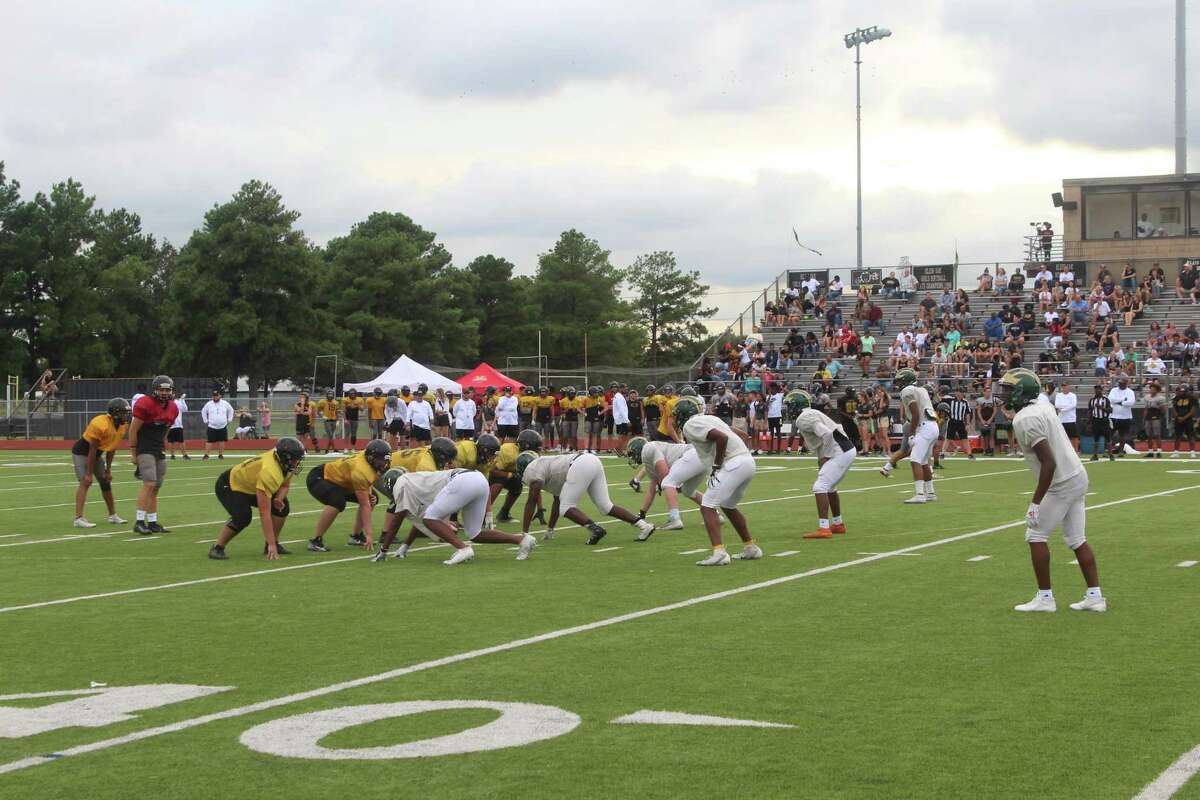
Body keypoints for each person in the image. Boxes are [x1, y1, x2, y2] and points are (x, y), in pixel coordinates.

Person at [998, 369, 1105, 613]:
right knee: (1077, 539)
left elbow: (1049, 462)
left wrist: (1036, 502)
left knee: (1035, 536)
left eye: (1007, 389)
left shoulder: (1025, 418)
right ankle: (1095, 597)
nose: (1002, 393)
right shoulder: (1042, 405)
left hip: (1062, 482)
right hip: (1077, 474)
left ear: (1020, 392)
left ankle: (1045, 598)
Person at [371, 466, 536, 565]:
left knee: (430, 518)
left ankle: (463, 549)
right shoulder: (416, 484)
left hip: (462, 481)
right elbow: (421, 518)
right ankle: (522, 540)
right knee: (475, 533)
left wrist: (383, 550)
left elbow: (398, 518)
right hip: (478, 479)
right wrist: (405, 546)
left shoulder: (403, 484)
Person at [670, 397, 760, 565]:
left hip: (733, 463)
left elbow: (721, 438)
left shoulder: (691, 424)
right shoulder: (711, 417)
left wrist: (718, 464)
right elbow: (742, 435)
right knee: (728, 505)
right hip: (746, 461)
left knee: (707, 505)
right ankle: (751, 548)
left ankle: (719, 552)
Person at [517, 450, 656, 544]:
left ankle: (595, 529)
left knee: (566, 507)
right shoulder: (548, 466)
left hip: (580, 464)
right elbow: (556, 500)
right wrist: (550, 529)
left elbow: (531, 501)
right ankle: (644, 526)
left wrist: (524, 533)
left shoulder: (532, 470)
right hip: (591, 460)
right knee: (605, 506)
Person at [207, 437, 305, 561]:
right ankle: (217, 547)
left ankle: (273, 542)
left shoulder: (284, 463)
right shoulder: (270, 471)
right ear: (286, 457)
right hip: (230, 484)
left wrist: (279, 498)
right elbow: (264, 513)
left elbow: (285, 485)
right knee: (243, 516)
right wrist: (271, 545)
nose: (298, 462)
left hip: (251, 485)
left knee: (282, 507)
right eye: (296, 458)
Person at [784, 391, 859, 539]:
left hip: (839, 451)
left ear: (795, 405)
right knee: (829, 487)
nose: (788, 409)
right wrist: (823, 459)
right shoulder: (812, 413)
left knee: (820, 487)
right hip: (846, 449)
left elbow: (827, 434)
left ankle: (824, 528)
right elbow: (827, 437)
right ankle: (838, 524)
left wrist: (826, 456)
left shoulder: (803, 418)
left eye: (789, 406)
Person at [305, 439, 392, 553]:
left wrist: (369, 493)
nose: (384, 463)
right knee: (337, 501)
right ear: (371, 458)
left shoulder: (368, 462)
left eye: (385, 459)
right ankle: (316, 540)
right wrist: (369, 533)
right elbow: (364, 504)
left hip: (341, 482)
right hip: (321, 477)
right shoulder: (360, 469)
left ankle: (356, 536)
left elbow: (368, 482)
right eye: (380, 460)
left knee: (372, 499)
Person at [128, 375, 179, 535]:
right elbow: (133, 429)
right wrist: (133, 452)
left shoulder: (173, 407)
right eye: (161, 389)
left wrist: (163, 445)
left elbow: (167, 429)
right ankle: (139, 521)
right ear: (155, 390)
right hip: (145, 448)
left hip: (158, 449)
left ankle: (152, 522)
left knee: (156, 487)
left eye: (167, 390)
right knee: (149, 483)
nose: (164, 393)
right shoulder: (145, 403)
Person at [878, 368, 938, 504]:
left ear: (905, 381)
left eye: (900, 381)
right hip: (932, 426)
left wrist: (911, 434)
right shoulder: (922, 389)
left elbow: (915, 413)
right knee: (923, 462)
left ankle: (920, 494)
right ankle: (931, 493)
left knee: (915, 459)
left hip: (923, 427)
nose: (898, 384)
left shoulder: (907, 391)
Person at [626, 436, 706, 534]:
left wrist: (662, 484)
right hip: (702, 457)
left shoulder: (648, 448)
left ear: (637, 448)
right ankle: (714, 513)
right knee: (687, 490)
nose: (632, 457)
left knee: (668, 482)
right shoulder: (649, 463)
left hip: (692, 454)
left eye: (632, 453)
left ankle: (675, 519)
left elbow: (665, 473)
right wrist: (642, 514)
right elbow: (651, 491)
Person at [72, 398, 131, 528]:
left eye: (126, 413)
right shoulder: (100, 423)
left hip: (97, 453)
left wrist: (108, 470)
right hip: (82, 452)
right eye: (123, 413)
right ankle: (78, 518)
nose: (126, 415)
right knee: (85, 482)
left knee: (105, 481)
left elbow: (112, 448)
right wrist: (88, 474)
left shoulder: (122, 426)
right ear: (114, 413)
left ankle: (113, 515)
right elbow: (91, 450)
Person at [201, 390, 235, 460]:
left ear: (220, 396)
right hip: (212, 426)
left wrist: (229, 419)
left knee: (221, 441)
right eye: (214, 396)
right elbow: (203, 411)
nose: (215, 397)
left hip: (222, 426)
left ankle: (220, 455)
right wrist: (205, 420)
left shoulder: (225, 403)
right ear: (212, 396)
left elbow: (231, 410)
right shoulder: (209, 404)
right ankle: (206, 455)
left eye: (217, 396)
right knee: (209, 441)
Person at [1107, 376, 1135, 456]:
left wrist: (1119, 402)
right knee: (1110, 434)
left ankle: (1121, 451)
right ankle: (1109, 450)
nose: (1120, 385)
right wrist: (1122, 401)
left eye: (1122, 383)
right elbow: (1110, 400)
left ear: (1126, 383)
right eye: (1119, 383)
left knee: (1123, 435)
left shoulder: (1130, 392)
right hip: (1113, 416)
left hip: (1125, 417)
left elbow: (1131, 402)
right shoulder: (1114, 390)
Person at [945, 387, 975, 460]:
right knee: (948, 438)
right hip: (952, 421)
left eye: (960, 392)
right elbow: (942, 403)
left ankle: (969, 454)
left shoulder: (965, 402)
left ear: (963, 393)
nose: (959, 394)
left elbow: (967, 413)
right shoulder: (950, 400)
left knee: (965, 438)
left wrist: (968, 424)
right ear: (955, 393)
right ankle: (943, 452)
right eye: (957, 392)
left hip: (961, 422)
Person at [1086, 384, 1113, 462]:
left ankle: (1111, 455)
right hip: (1095, 421)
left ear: (1101, 390)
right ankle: (1095, 455)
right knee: (1095, 439)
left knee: (1108, 439)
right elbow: (1090, 411)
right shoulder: (1091, 400)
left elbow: (1110, 410)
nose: (1097, 391)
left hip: (1104, 420)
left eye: (1099, 389)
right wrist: (1089, 422)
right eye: (1096, 389)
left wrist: (1101, 407)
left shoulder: (1106, 400)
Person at [1142, 381, 1168, 458]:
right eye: (1151, 389)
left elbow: (1164, 409)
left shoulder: (1161, 398)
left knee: (1157, 435)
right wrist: (1144, 418)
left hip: (1156, 416)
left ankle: (1159, 451)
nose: (1152, 390)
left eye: (1153, 389)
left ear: (1157, 390)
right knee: (1149, 435)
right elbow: (1146, 409)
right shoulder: (1147, 397)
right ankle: (1150, 452)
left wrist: (1161, 412)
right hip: (1148, 417)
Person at [1053, 381, 1080, 453]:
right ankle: (1061, 451)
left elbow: (1073, 405)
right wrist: (1066, 407)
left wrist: (1063, 409)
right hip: (1061, 420)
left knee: (1074, 436)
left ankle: (1075, 451)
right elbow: (1057, 405)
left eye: (1066, 386)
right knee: (1060, 437)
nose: (1064, 387)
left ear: (1069, 387)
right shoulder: (1059, 395)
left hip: (1070, 419)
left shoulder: (1073, 395)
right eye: (1063, 386)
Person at [1172, 382, 1196, 457]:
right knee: (1177, 436)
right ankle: (1176, 451)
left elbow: (1193, 410)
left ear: (1187, 391)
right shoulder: (1176, 398)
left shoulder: (1192, 398)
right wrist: (1178, 417)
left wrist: (1184, 418)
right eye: (1181, 391)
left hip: (1188, 419)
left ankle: (1192, 451)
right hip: (1178, 419)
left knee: (1190, 436)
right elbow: (1174, 408)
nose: (1182, 393)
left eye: (1184, 391)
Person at [976, 383, 999, 456]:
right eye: (987, 391)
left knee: (992, 435)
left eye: (989, 391)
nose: (988, 393)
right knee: (984, 436)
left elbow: (995, 410)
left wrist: (990, 419)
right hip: (983, 419)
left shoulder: (993, 400)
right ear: (984, 392)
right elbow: (978, 411)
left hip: (991, 420)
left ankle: (991, 450)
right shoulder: (980, 400)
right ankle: (985, 450)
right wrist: (982, 420)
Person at [316, 389, 340, 453]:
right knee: (330, 434)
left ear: (333, 395)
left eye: (331, 394)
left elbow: (337, 412)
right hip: (327, 420)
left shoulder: (336, 402)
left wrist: (338, 421)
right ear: (326, 395)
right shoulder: (323, 401)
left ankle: (327, 449)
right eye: (329, 394)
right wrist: (322, 416)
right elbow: (318, 411)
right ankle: (335, 449)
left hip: (334, 420)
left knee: (331, 436)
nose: (330, 396)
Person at [168, 392, 189, 460]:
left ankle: (184, 455)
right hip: (169, 425)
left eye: (172, 394)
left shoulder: (178, 402)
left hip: (178, 425)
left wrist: (182, 400)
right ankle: (172, 455)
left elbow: (185, 409)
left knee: (181, 441)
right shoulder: (165, 403)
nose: (171, 396)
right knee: (171, 441)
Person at [610, 382, 630, 454]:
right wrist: (627, 420)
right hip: (621, 420)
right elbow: (621, 409)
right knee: (622, 435)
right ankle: (618, 449)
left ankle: (619, 449)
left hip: (621, 419)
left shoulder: (619, 396)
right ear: (621, 388)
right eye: (625, 387)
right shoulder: (619, 396)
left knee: (624, 435)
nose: (626, 389)